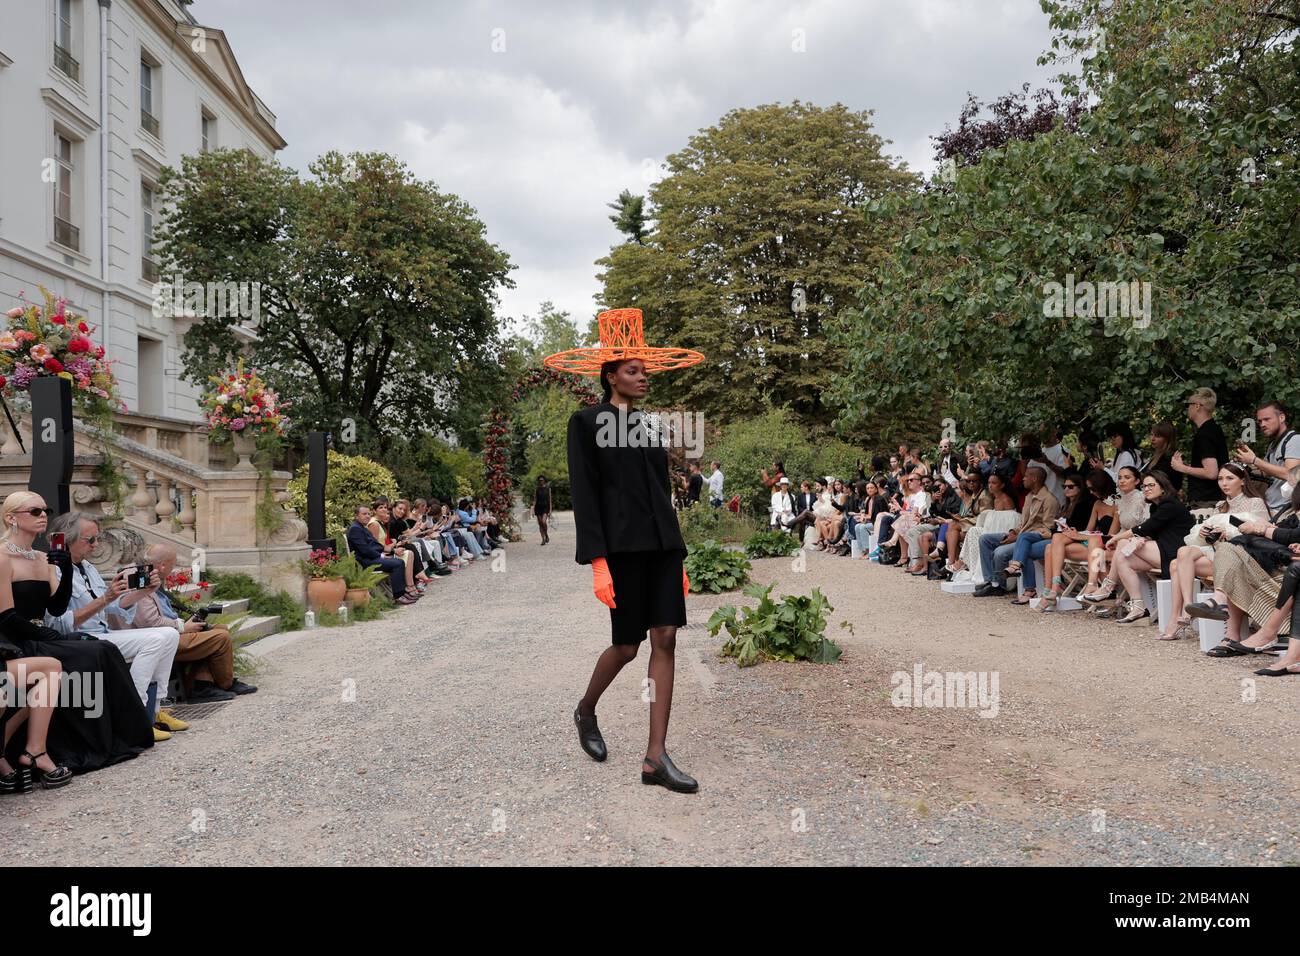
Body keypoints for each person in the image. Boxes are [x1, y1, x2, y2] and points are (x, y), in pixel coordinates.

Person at [548, 307, 702, 793]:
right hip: (620, 552)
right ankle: (586, 708)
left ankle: (655, 758)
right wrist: (598, 563)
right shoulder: (586, 423)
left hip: (660, 550)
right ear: (610, 376)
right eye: (633, 371)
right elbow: (586, 496)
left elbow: (661, 494)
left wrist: (677, 555)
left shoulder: (652, 427)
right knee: (626, 646)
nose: (643, 379)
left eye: (645, 371)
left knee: (667, 639)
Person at [0, 494, 152, 773]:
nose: (43, 515)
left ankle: (123, 734)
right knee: (87, 654)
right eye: (35, 511)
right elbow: (7, 617)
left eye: (45, 510)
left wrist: (65, 569)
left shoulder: (42, 557)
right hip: (14, 640)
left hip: (40, 635)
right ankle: (67, 746)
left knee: (102, 649)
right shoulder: (2, 558)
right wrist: (51, 638)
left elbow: (57, 608)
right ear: (11, 518)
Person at [45, 511, 186, 742]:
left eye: (96, 538)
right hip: (81, 639)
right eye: (90, 540)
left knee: (169, 634)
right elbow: (59, 624)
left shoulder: (87, 567)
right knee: (156, 639)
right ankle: (138, 715)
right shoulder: (54, 571)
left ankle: (156, 707)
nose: (96, 545)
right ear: (68, 540)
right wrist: (106, 599)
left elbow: (113, 607)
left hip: (103, 634)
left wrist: (143, 592)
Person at [129, 543, 257, 700]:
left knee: (218, 628)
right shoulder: (139, 580)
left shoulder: (152, 577)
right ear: (162, 566)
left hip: (169, 631)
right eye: (172, 564)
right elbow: (149, 622)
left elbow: (160, 614)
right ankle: (223, 684)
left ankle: (203, 683)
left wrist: (186, 622)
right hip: (158, 638)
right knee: (220, 638)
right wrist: (183, 626)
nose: (173, 569)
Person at [1157, 463, 1269, 640]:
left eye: (1230, 478)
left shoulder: (1254, 502)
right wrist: (1204, 533)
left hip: (1242, 556)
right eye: (1220, 478)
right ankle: (1188, 607)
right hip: (1217, 551)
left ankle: (1181, 616)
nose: (1224, 483)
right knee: (1181, 554)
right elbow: (1205, 541)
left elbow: (1262, 535)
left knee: (1176, 564)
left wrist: (1230, 532)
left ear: (1242, 481)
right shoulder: (1220, 506)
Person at [1097, 471, 1195, 624]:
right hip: (1162, 551)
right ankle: (1138, 606)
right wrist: (1142, 538)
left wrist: (1116, 537)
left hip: (1177, 554)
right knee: (1124, 559)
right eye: (1144, 486)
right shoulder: (1156, 507)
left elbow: (1144, 528)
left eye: (1151, 485)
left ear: (1163, 488)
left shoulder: (1170, 504)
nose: (1147, 489)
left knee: (1123, 544)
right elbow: (1152, 532)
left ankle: (1108, 586)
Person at [973, 463, 1060, 597]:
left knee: (1000, 552)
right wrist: (1013, 532)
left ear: (1035, 479)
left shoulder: (1049, 500)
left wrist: (1018, 537)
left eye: (1026, 476)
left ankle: (1000, 585)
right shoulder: (1029, 496)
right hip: (1020, 535)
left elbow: (1047, 530)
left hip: (1030, 539)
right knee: (985, 539)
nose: (1023, 479)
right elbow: (1022, 523)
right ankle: (992, 582)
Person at [1037, 469, 1117, 611]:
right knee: (1053, 542)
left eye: (1093, 488)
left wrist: (1080, 536)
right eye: (1089, 489)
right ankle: (1051, 589)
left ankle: (1052, 591)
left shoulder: (1116, 505)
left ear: (1102, 486)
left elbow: (1110, 536)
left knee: (1052, 547)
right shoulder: (1098, 504)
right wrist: (1076, 534)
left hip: (1104, 546)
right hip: (1090, 542)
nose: (1090, 492)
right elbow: (1089, 529)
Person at [1236, 400, 1300, 518]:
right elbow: (1265, 472)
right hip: (1272, 506)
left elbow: (1291, 475)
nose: (1262, 424)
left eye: (1267, 419)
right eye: (1260, 421)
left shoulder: (1294, 440)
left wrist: (1254, 460)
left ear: (1281, 417)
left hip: (1286, 509)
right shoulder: (1274, 444)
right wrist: (1244, 463)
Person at [347, 505, 418, 605]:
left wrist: (392, 551)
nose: (367, 516)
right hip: (364, 562)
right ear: (356, 516)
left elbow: (376, 545)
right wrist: (382, 556)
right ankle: (398, 595)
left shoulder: (362, 527)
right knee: (397, 563)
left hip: (370, 558)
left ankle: (402, 592)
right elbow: (365, 550)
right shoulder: (355, 529)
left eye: (368, 514)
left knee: (398, 561)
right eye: (364, 514)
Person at [1172, 386, 1229, 508]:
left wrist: (1182, 468)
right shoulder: (1214, 429)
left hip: (1206, 500)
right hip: (1214, 497)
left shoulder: (1204, 434)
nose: (1188, 408)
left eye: (1189, 405)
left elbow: (1211, 472)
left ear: (1197, 406)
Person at [533, 476, 553, 545]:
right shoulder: (537, 489)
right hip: (538, 507)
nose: (540, 481)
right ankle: (543, 539)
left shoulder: (548, 489)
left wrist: (550, 510)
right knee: (540, 524)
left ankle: (546, 534)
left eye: (542, 480)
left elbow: (550, 500)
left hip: (545, 507)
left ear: (544, 481)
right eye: (539, 480)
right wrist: (533, 509)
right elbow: (535, 500)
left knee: (543, 522)